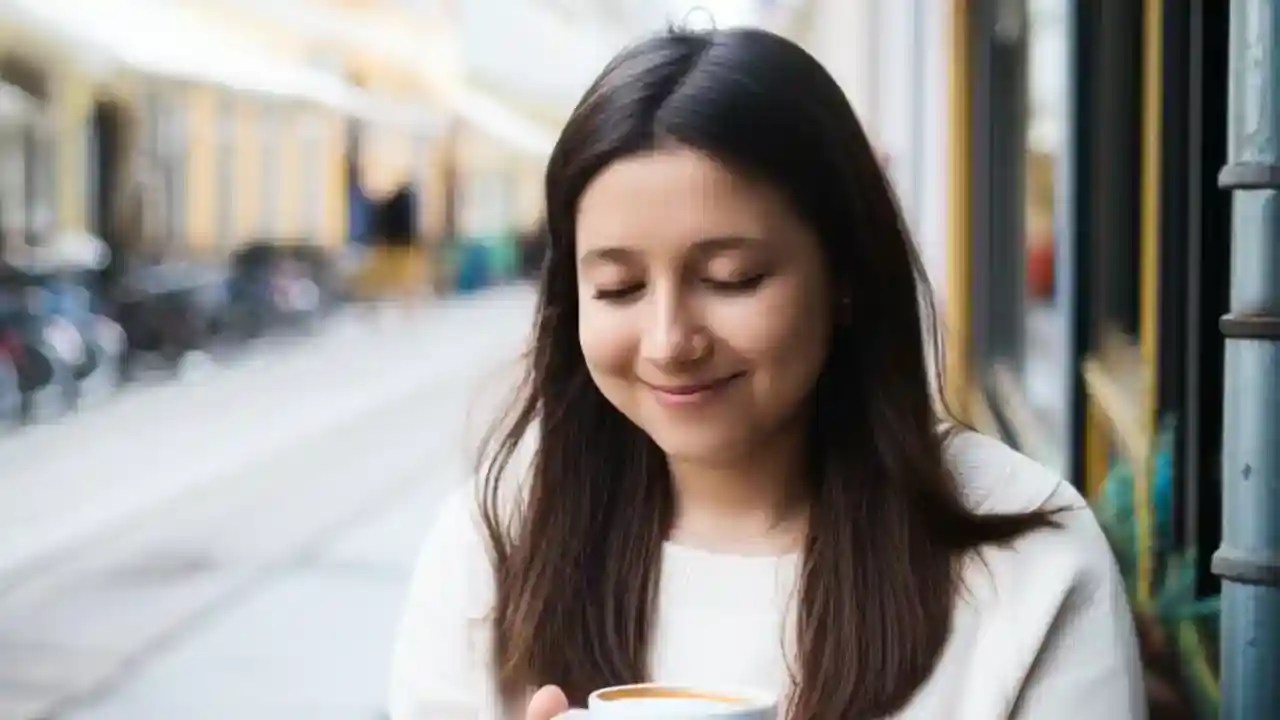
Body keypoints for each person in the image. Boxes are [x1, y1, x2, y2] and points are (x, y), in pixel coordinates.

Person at [389, 27, 1145, 720]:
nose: (668, 341)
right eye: (619, 288)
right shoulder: (491, 551)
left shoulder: (1030, 560)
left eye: (733, 277)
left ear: (843, 273)